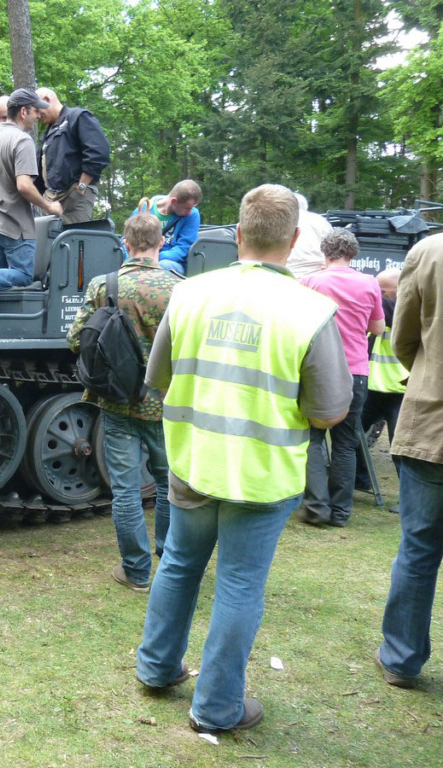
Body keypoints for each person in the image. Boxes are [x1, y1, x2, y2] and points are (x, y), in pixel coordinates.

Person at [135, 184, 352, 734]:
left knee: (180, 564)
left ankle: (157, 668)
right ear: (296, 239)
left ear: (237, 235)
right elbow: (328, 411)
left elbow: (157, 380)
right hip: (261, 475)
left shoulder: (189, 293)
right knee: (238, 584)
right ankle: (215, 707)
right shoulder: (310, 310)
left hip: (191, 463)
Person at [66, 213, 181, 591]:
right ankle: (170, 564)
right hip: (166, 404)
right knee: (168, 485)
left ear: (125, 244)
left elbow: (76, 339)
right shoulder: (181, 287)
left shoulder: (105, 285)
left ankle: (136, 572)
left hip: (117, 403)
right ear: (161, 242)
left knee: (127, 491)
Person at [376, 233, 443, 689]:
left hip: (433, 421)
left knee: (418, 548)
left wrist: (426, 372)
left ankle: (401, 658)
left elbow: (402, 338)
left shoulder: (431, 251)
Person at [298, 228, 384, 527]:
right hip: (356, 371)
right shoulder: (369, 283)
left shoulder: (310, 281)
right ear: (353, 253)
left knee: (313, 439)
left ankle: (316, 508)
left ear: (325, 252)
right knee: (346, 443)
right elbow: (378, 328)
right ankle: (340, 513)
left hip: (319, 370)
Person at [0, 88, 63, 303]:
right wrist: (49, 206)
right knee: (23, 276)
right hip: (14, 226)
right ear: (23, 112)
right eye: (35, 111)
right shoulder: (22, 141)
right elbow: (24, 186)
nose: (38, 116)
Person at [354, 268, 404, 504]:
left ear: (400, 288)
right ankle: (361, 479)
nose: (378, 295)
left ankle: (408, 498)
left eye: (382, 291)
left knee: (402, 450)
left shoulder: (408, 309)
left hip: (401, 391)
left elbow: (393, 314)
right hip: (373, 388)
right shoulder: (380, 310)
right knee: (351, 434)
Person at [35, 88, 111, 225]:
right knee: (52, 244)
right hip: (53, 201)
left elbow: (99, 151)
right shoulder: (48, 132)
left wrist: (81, 187)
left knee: (74, 242)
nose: (37, 116)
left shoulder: (78, 117)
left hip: (76, 197)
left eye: (37, 110)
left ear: (46, 100)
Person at [131, 180, 203, 274]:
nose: (189, 212)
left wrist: (153, 257)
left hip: (171, 263)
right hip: (139, 259)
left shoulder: (192, 215)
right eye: (187, 208)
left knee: (163, 265)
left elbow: (184, 247)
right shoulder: (144, 209)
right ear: (173, 201)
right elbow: (128, 240)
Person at [285, 192, 332, 278]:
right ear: (306, 206)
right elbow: (332, 248)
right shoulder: (321, 221)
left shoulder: (283, 221)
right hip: (317, 275)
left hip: (289, 273)